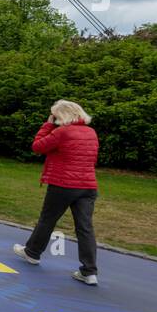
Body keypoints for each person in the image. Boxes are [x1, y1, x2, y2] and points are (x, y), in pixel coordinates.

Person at [14, 99, 100, 286]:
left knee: (48, 219)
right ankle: (89, 271)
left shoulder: (62, 132)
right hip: (87, 186)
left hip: (63, 184)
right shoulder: (91, 132)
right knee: (85, 227)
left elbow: (37, 147)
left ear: (60, 115)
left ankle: (32, 253)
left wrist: (47, 124)